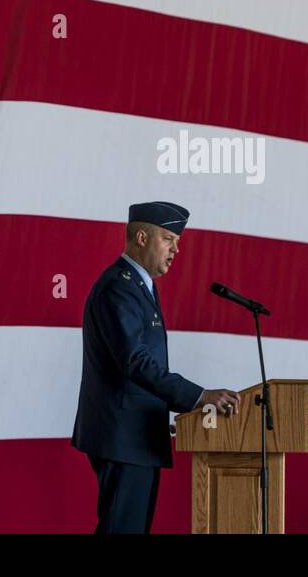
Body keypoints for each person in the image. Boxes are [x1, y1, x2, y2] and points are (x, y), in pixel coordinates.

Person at [71, 201, 240, 533]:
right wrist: (199, 395)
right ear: (142, 237)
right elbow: (136, 361)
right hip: (124, 437)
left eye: (178, 241)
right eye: (168, 239)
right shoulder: (119, 287)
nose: (176, 249)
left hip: (137, 436)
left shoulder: (138, 286)